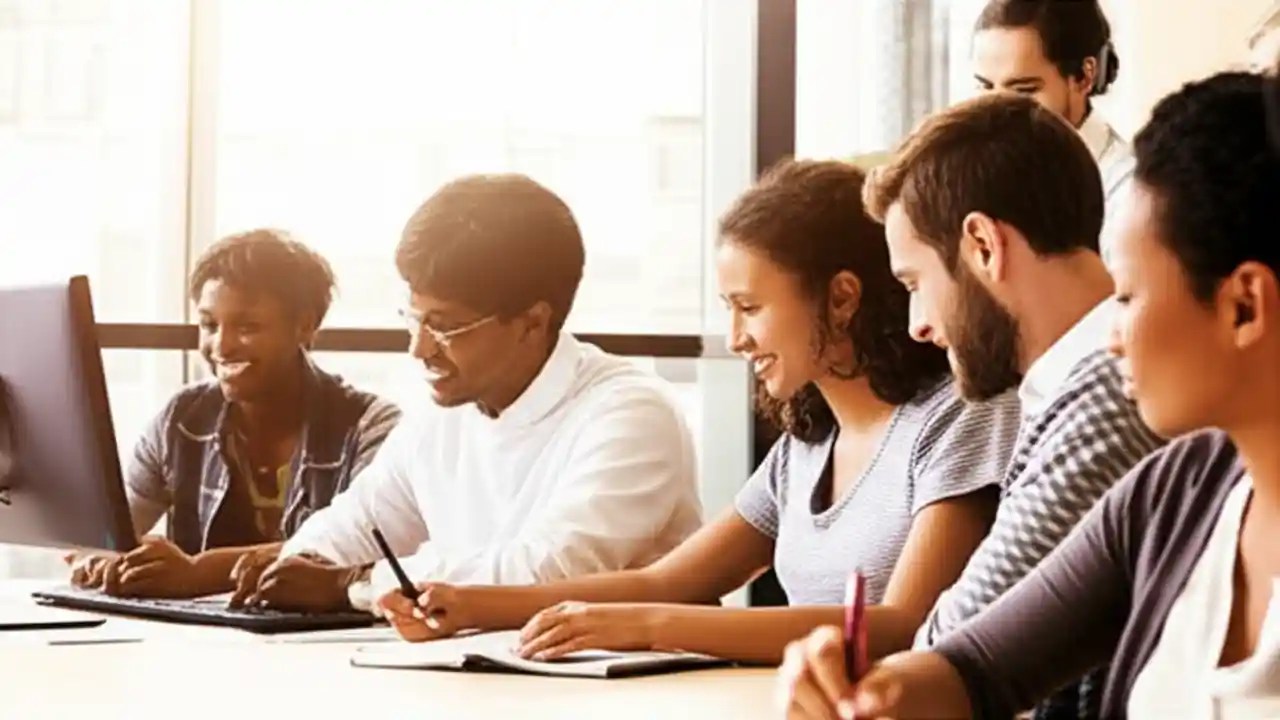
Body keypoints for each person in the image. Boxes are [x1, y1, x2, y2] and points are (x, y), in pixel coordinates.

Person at [776, 69, 1280, 720]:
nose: (1115, 337)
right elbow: (976, 665)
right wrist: (869, 688)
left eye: (1127, 298)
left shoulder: (1108, 408)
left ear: (1244, 307)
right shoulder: (1174, 490)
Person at [375, 160, 1022, 665]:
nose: (737, 338)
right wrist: (469, 606)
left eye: (751, 307)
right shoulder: (806, 445)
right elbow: (669, 579)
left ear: (843, 297)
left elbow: (898, 627)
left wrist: (654, 628)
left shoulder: (956, 420)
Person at [226, 173, 703, 613]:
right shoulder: (441, 415)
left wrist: (352, 584)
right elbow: (359, 521)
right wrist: (297, 560)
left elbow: (549, 571)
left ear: (533, 322)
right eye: (414, 319)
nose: (419, 348)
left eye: (446, 327)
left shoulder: (630, 413)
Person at [67, 229, 400, 598]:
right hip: (198, 642)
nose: (221, 346)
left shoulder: (370, 426)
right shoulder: (181, 420)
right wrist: (105, 557)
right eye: (209, 325)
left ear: (305, 325)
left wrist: (198, 573)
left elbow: (370, 547)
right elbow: (111, 533)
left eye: (247, 327)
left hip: (324, 645)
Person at [972, 0, 1133, 263]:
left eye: (1023, 90)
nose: (997, 112)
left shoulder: (1128, 197)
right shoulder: (977, 177)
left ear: (1084, 76)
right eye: (985, 88)